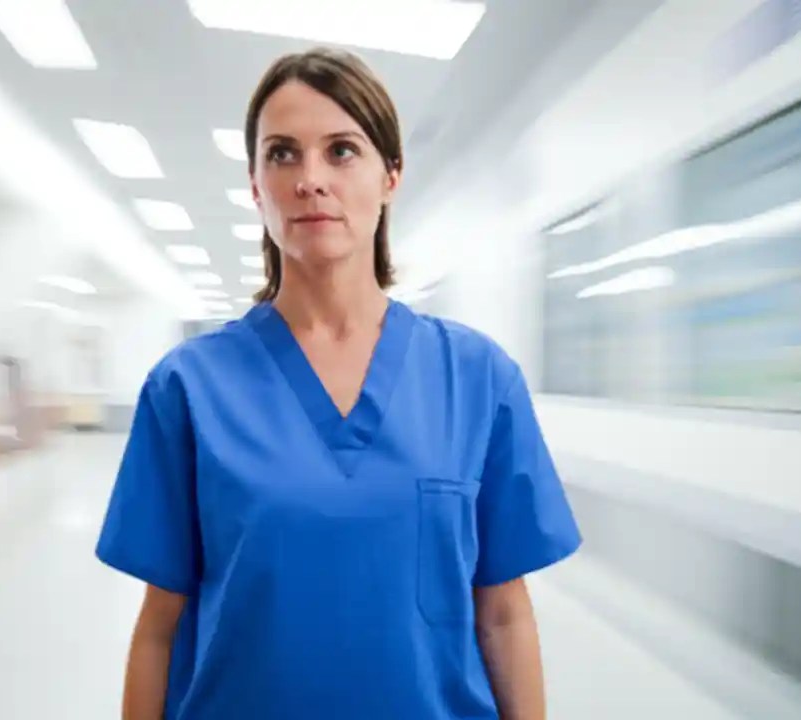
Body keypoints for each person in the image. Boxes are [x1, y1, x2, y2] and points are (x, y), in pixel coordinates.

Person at [96, 47, 582, 719]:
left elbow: (502, 612)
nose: (310, 179)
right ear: (256, 185)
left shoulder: (477, 379)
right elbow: (159, 625)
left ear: (391, 175)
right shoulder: (188, 388)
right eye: (283, 154)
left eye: (342, 151)